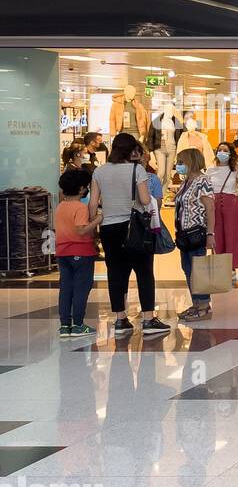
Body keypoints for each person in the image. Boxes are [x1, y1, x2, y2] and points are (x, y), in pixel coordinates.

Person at [87, 132, 169, 337]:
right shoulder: (137, 169)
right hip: (135, 228)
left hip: (109, 228)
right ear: (131, 150)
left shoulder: (100, 171)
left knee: (115, 273)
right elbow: (143, 199)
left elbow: (92, 203)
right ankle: (148, 319)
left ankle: (120, 319)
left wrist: (94, 225)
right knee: (144, 272)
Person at [54, 168, 101, 339]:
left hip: (62, 252)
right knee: (81, 288)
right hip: (81, 251)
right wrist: (97, 219)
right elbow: (81, 230)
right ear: (82, 188)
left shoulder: (60, 207)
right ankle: (78, 324)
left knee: (66, 288)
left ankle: (65, 325)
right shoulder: (80, 208)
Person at [172, 147, 216, 323]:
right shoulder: (185, 182)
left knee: (199, 270)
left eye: (181, 162)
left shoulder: (202, 181)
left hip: (197, 231)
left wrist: (210, 233)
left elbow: (210, 208)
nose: (178, 165)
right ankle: (196, 303)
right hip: (184, 234)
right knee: (188, 269)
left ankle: (204, 305)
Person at [205, 140, 238, 271]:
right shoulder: (210, 170)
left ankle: (232, 266)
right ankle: (219, 265)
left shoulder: (235, 169)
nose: (222, 153)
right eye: (220, 150)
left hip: (232, 204)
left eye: (225, 151)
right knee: (216, 234)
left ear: (231, 154)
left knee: (232, 234)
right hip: (214, 203)